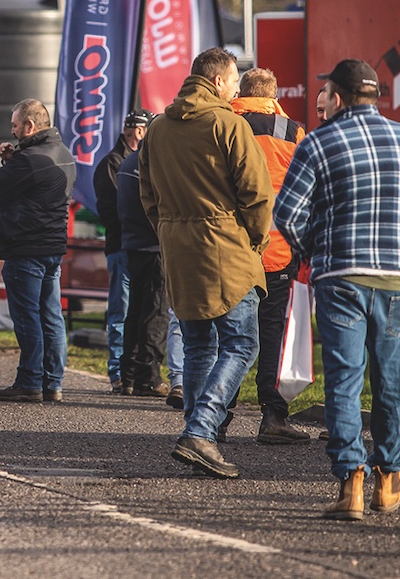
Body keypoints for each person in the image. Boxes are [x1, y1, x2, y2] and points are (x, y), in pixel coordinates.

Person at [275, 59, 400, 520]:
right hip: (398, 279)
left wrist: (319, 248)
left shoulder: (318, 143)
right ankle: (391, 477)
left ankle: (350, 481)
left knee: (344, 381)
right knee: (392, 384)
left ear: (336, 97)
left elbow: (287, 214)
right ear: (374, 95)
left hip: (341, 280)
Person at [140, 47, 273, 479]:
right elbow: (256, 195)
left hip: (178, 249)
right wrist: (255, 241)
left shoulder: (158, 128)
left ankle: (200, 437)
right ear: (217, 81)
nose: (238, 89)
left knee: (198, 345)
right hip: (226, 247)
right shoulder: (229, 125)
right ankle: (200, 430)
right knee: (241, 343)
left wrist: (168, 232)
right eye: (235, 81)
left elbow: (149, 197)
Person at [229, 68, 311, 444]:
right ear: (274, 95)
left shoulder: (224, 123)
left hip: (232, 247)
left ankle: (216, 418)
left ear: (242, 91)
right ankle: (273, 417)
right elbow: (305, 191)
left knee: (227, 335)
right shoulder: (293, 131)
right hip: (279, 248)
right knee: (273, 333)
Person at [0, 98, 75, 403]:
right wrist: (15, 159)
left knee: (28, 318)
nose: (11, 131)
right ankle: (53, 382)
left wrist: (5, 161)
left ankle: (29, 381)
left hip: (26, 245)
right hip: (53, 245)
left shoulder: (29, 161)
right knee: (52, 316)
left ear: (29, 125)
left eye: (15, 125)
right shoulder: (64, 154)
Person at [105, 139, 174, 402]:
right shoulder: (153, 162)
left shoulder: (128, 162)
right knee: (155, 313)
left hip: (133, 244)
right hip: (155, 246)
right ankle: (149, 377)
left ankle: (129, 375)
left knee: (134, 312)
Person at [91, 109, 154, 395]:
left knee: (144, 311)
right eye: (135, 130)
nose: (137, 135)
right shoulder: (112, 163)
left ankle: (137, 370)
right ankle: (118, 371)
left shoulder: (147, 162)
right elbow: (110, 210)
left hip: (142, 247)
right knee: (121, 312)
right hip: (121, 247)